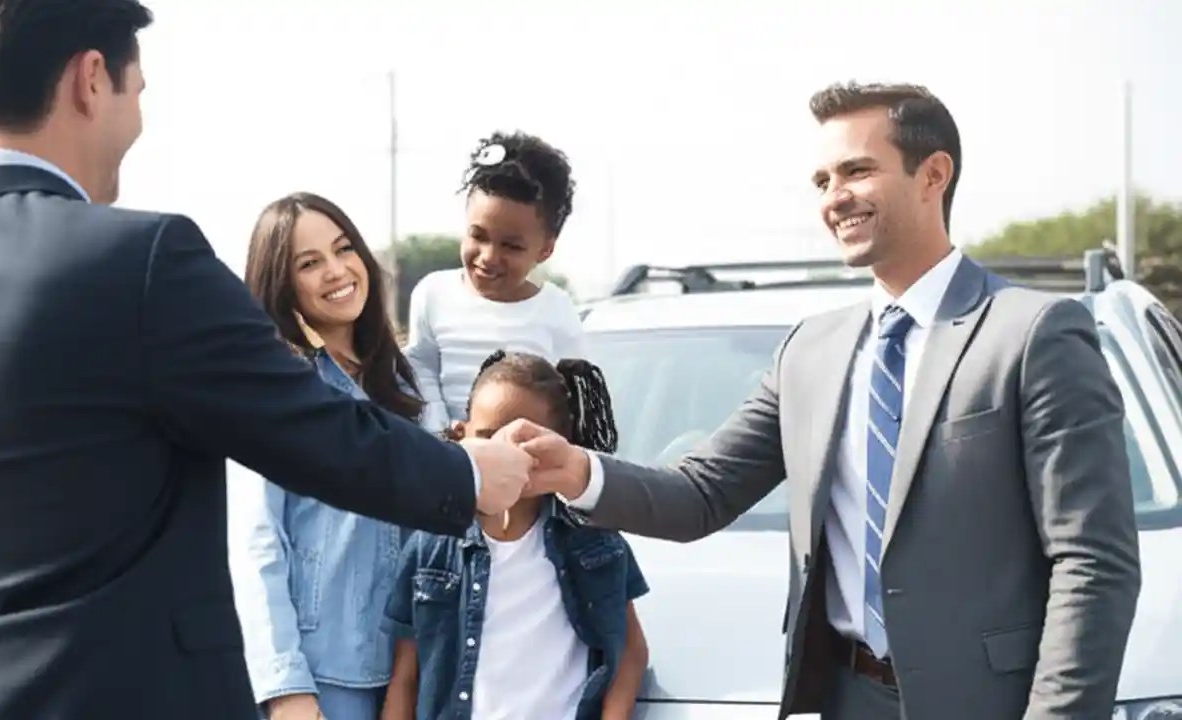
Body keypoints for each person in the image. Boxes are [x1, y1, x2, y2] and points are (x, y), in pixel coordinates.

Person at [0, 2, 531, 719]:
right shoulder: (138, 260)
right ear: (91, 79)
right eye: (138, 93)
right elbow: (314, 430)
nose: (137, 119)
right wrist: (473, 472)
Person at [510, 82, 1142, 720]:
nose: (834, 197)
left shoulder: (1034, 333)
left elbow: (1092, 564)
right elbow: (701, 493)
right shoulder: (811, 350)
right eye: (821, 180)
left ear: (934, 175)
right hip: (846, 699)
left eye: (857, 171)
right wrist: (578, 471)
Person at [229, 193, 423, 720]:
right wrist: (285, 685)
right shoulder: (275, 394)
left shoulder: (407, 385)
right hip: (323, 679)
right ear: (281, 283)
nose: (337, 271)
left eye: (344, 249)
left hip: (419, 673)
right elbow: (256, 543)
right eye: (310, 263)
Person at [380, 351, 649, 720]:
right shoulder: (432, 542)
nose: (506, 456)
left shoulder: (594, 541)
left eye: (525, 443)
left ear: (559, 444)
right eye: (490, 438)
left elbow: (632, 649)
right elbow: (405, 675)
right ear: (462, 435)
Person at [405, 131, 588, 431]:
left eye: (511, 246)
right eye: (478, 236)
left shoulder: (555, 309)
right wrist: (441, 430)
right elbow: (420, 369)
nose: (488, 257)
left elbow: (573, 403)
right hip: (451, 461)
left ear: (545, 249)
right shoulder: (432, 294)